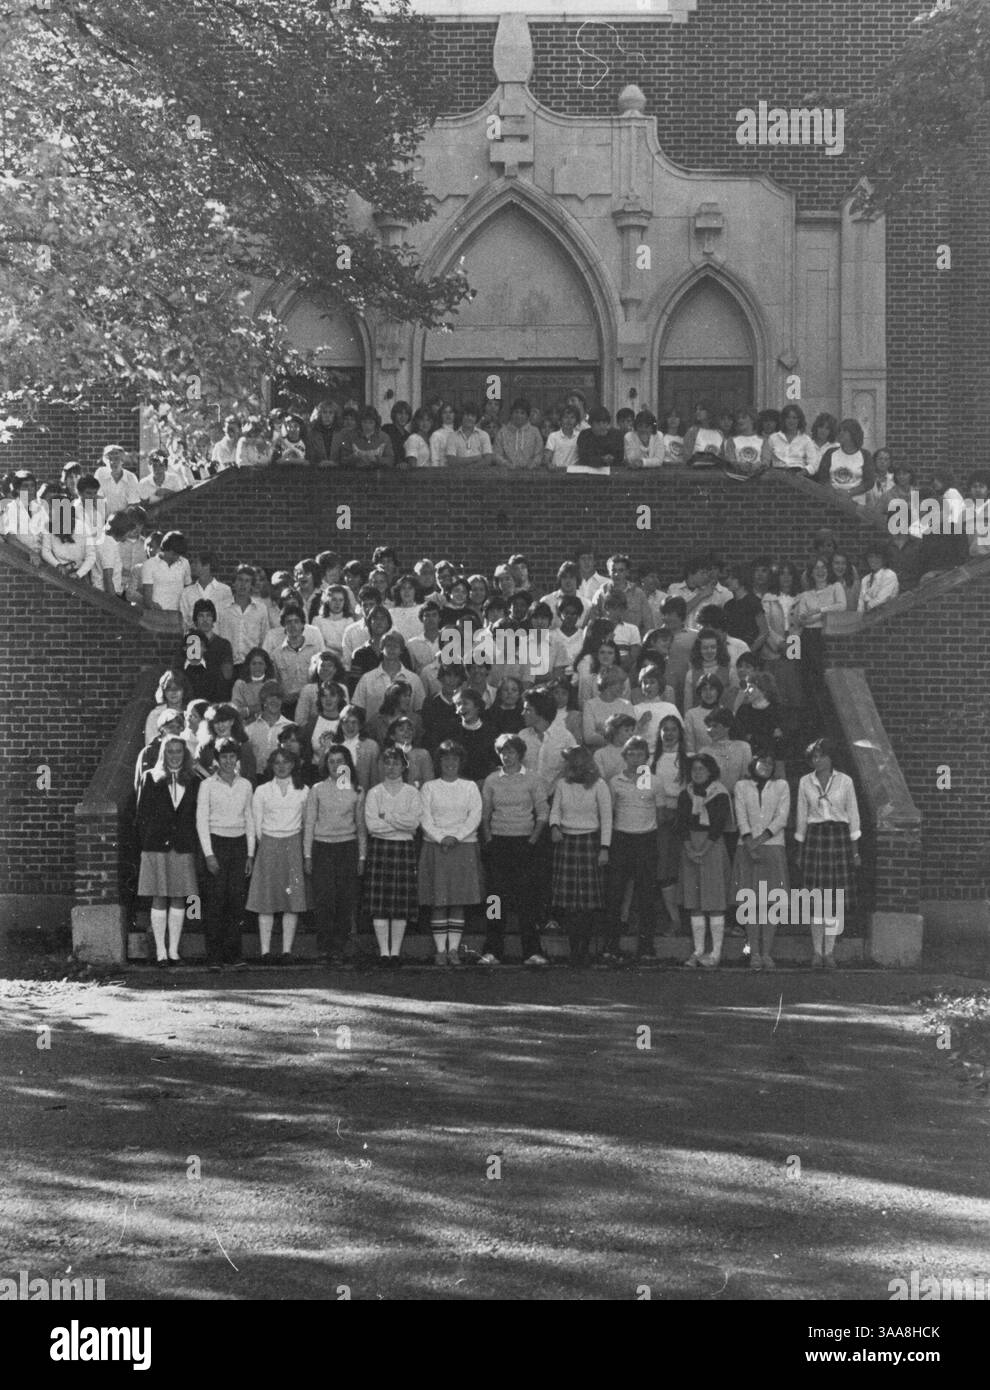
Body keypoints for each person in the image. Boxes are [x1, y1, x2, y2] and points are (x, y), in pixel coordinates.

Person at [480, 733, 550, 967]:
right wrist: (489, 839)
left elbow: (542, 813)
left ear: (520, 754)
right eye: (503, 752)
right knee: (494, 899)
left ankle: (532, 951)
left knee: (527, 899)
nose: (506, 756)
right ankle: (492, 950)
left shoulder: (533, 779)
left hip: (524, 844)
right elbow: (485, 814)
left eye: (511, 751)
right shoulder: (492, 780)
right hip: (498, 843)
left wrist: (532, 841)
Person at [794, 738, 861, 969]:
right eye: (813, 757)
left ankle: (829, 952)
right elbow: (801, 816)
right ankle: (817, 952)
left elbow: (853, 815)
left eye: (821, 756)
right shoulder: (805, 781)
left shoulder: (845, 781)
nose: (817, 760)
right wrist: (800, 850)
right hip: (815, 840)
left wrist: (855, 851)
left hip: (839, 839)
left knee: (834, 901)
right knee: (816, 900)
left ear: (831, 757)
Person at [136, 736, 200, 966]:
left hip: (182, 846)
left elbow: (196, 815)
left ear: (185, 754)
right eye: (170, 751)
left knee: (180, 897)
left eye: (178, 751)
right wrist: (149, 840)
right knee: (159, 896)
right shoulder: (150, 777)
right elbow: (142, 815)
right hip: (156, 846)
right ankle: (161, 952)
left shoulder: (194, 780)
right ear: (163, 754)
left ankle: (174, 951)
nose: (174, 756)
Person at [418, 742, 483, 966]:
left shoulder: (470, 786)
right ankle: (440, 951)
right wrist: (440, 838)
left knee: (458, 901)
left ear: (460, 762)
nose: (450, 763)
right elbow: (424, 817)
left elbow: (475, 816)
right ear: (439, 762)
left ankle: (454, 950)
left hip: (463, 846)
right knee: (439, 901)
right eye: (445, 759)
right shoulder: (429, 787)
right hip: (436, 847)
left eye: (454, 759)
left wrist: (456, 837)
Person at [304, 744, 367, 967]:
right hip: (322, 848)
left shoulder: (357, 790)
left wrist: (361, 857)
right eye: (331, 761)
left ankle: (339, 948)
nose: (335, 765)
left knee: (344, 900)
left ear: (347, 763)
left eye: (340, 761)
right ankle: (324, 948)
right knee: (325, 900)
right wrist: (307, 855)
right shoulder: (317, 789)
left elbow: (361, 827)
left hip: (347, 848)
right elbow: (309, 823)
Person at [549, 745, 612, 968]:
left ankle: (583, 951)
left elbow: (606, 818)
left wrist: (604, 848)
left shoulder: (599, 785)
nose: (568, 765)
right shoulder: (562, 784)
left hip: (589, 843)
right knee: (569, 904)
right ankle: (573, 950)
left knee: (586, 903)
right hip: (567, 843)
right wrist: (554, 826)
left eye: (571, 761)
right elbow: (555, 810)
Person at [196, 737, 254, 971]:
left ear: (237, 758)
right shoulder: (207, 785)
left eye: (232, 756)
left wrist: (250, 854)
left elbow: (249, 818)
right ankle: (214, 957)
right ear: (217, 760)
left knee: (235, 901)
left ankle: (234, 955)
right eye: (224, 757)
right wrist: (209, 854)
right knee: (215, 901)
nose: (228, 761)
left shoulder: (245, 785)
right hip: (216, 844)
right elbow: (201, 821)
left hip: (239, 845)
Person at [247, 748, 310, 963]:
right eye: (277, 762)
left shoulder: (303, 790)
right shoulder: (262, 790)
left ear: (293, 764)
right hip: (268, 844)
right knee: (266, 899)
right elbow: (256, 824)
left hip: (293, 845)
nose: (281, 766)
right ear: (271, 766)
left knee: (291, 900)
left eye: (286, 762)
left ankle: (286, 951)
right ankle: (265, 951)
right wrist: (267, 842)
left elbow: (306, 822)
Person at [604, 737, 662, 964]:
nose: (636, 758)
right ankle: (611, 947)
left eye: (640, 754)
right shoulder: (614, 781)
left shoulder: (655, 781)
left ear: (646, 757)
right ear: (624, 756)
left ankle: (646, 948)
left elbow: (661, 813)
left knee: (647, 896)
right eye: (631, 754)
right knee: (615, 895)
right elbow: (609, 813)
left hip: (646, 841)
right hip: (621, 840)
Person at [363, 746, 422, 967]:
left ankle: (395, 953)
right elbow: (372, 826)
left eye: (396, 763)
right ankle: (384, 953)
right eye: (387, 763)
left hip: (403, 848)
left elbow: (414, 823)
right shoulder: (374, 793)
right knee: (380, 903)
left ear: (404, 766)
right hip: (380, 848)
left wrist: (386, 816)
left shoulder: (412, 792)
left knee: (400, 904)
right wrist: (400, 823)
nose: (391, 767)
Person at [731, 754, 790, 970]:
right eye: (762, 761)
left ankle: (766, 953)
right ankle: (754, 953)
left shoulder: (781, 786)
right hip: (746, 847)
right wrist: (750, 843)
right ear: (753, 763)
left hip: (773, 846)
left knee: (770, 903)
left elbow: (782, 817)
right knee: (751, 903)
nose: (766, 766)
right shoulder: (741, 786)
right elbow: (741, 815)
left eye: (770, 763)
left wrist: (760, 840)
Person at [676, 752, 733, 969]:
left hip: (712, 846)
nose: (697, 773)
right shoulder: (686, 794)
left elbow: (718, 825)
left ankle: (715, 952)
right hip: (690, 846)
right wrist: (690, 849)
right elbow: (681, 824)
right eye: (694, 769)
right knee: (695, 901)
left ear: (710, 771)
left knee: (714, 900)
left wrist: (703, 850)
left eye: (702, 769)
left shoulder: (719, 793)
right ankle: (698, 950)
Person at [652, 714, 689, 932]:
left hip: (682, 817)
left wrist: (679, 813)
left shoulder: (688, 759)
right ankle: (674, 918)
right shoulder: (650, 760)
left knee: (682, 866)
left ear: (680, 733)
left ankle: (687, 917)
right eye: (665, 729)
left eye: (673, 729)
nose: (669, 733)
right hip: (659, 818)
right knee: (664, 868)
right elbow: (644, 789)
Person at [218, 564, 269, 663]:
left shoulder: (261, 609)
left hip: (251, 665)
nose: (243, 584)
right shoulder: (221, 608)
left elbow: (264, 639)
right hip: (227, 663)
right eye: (240, 580)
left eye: (247, 581)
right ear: (234, 583)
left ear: (252, 585)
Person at [816, 418, 875, 498]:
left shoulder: (865, 455)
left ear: (854, 433)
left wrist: (849, 492)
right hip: (832, 499)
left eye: (845, 431)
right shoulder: (830, 453)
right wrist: (833, 492)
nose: (841, 433)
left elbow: (869, 482)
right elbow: (822, 477)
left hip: (856, 502)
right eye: (840, 431)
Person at [141, 530, 191, 611]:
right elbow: (147, 598)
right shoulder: (149, 564)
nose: (176, 557)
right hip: (156, 614)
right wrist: (153, 606)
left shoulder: (185, 563)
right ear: (165, 549)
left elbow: (188, 591)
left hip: (178, 614)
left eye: (179, 554)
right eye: (174, 554)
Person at [493, 397, 545, 470]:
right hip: (507, 472)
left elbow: (539, 454)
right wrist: (507, 464)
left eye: (522, 413)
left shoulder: (535, 432)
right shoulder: (502, 432)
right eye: (516, 412)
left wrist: (532, 465)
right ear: (511, 414)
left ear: (527, 416)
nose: (518, 415)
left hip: (531, 472)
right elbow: (497, 454)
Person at [766, 403, 816, 473]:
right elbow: (766, 461)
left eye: (794, 418)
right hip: (778, 474)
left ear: (799, 420)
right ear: (783, 420)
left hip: (798, 474)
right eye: (788, 417)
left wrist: (803, 472)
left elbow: (813, 464)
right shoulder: (773, 438)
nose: (791, 421)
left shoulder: (806, 439)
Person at [572, 406, 623, 474]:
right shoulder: (584, 435)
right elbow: (583, 458)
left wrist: (612, 459)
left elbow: (620, 457)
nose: (602, 426)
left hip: (613, 473)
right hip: (588, 473)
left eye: (604, 422)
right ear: (591, 424)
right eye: (598, 423)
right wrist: (602, 459)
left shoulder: (616, 435)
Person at [95, 445, 141, 513]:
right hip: (102, 517)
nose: (112, 462)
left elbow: (134, 504)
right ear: (105, 461)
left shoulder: (131, 477)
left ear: (122, 460)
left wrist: (119, 517)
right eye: (109, 459)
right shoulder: (100, 473)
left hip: (124, 517)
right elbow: (93, 497)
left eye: (116, 458)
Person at [858, 542, 900, 612]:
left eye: (878, 557)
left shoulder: (889, 575)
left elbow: (880, 601)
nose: (873, 560)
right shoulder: (865, 579)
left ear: (884, 559)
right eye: (871, 556)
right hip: (866, 617)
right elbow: (860, 605)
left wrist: (866, 604)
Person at [543, 404, 581, 471]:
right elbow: (547, 458)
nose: (569, 420)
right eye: (566, 417)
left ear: (576, 421)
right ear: (560, 420)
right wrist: (549, 465)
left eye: (572, 417)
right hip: (556, 472)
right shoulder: (553, 436)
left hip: (574, 472)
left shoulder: (580, 436)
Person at [306, 400, 338, 465]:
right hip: (317, 469)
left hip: (339, 470)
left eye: (330, 413)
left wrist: (336, 463)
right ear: (320, 415)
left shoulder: (341, 434)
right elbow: (309, 457)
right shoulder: (312, 434)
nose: (327, 415)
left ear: (335, 415)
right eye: (324, 412)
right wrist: (319, 463)